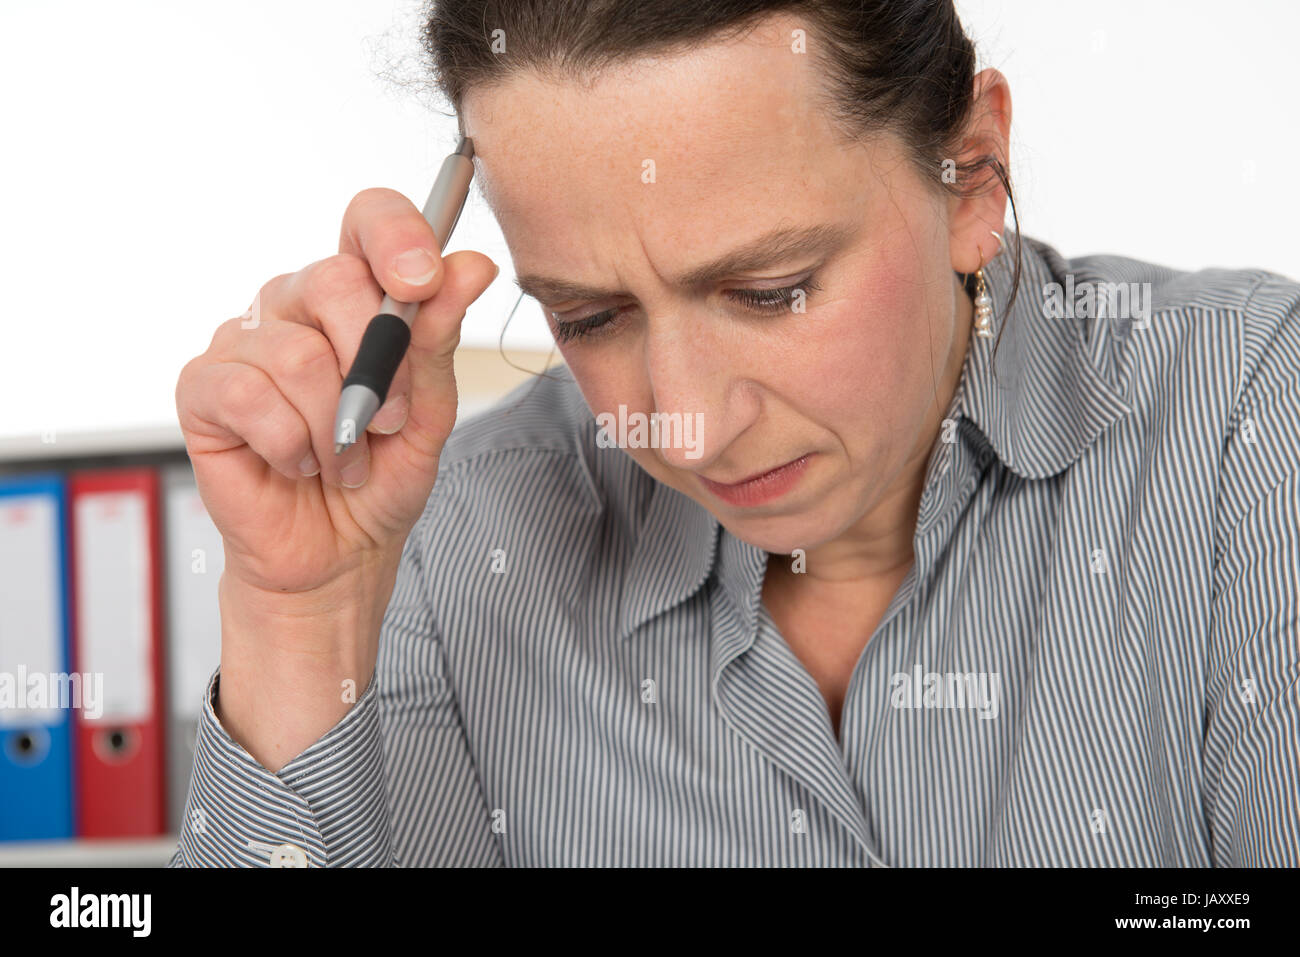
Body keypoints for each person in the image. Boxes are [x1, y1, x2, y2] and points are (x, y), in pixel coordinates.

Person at [170, 1, 1299, 866]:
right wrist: (299, 623)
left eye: (771, 289)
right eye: (587, 316)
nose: (691, 422)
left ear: (969, 175)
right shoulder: (466, 531)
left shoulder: (1245, 418)